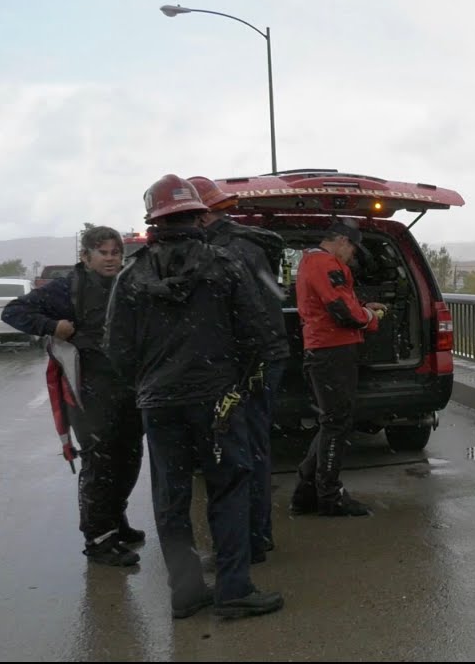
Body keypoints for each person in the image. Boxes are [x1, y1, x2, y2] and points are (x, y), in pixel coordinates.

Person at [105, 174, 283, 620]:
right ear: (197, 215)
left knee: (171, 498)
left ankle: (186, 592)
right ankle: (234, 589)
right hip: (218, 403)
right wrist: (232, 383)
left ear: (154, 222)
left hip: (159, 405)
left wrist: (149, 383)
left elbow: (117, 350)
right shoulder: (226, 265)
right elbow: (259, 333)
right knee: (229, 489)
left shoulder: (130, 277)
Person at [2, 226, 144, 567]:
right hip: (89, 390)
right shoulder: (66, 289)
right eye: (103, 253)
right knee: (100, 462)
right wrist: (54, 327)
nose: (111, 259)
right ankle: (97, 539)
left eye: (115, 253)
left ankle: (115, 521)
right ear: (85, 256)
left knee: (129, 457)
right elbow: (13, 312)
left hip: (129, 386)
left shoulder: (129, 284)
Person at [191, 175, 290, 560]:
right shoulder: (248, 245)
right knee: (254, 447)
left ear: (200, 216)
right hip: (265, 357)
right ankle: (256, 536)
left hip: (248, 363)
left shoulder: (228, 251)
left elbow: (243, 316)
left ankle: (250, 541)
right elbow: (269, 305)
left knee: (241, 450)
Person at [288, 218, 387, 517]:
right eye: (353, 250)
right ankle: (330, 496)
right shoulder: (325, 264)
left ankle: (306, 493)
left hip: (323, 350)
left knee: (331, 422)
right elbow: (342, 311)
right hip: (332, 351)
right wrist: (370, 318)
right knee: (336, 424)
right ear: (342, 241)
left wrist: (363, 309)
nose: (352, 256)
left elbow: (340, 302)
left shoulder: (310, 262)